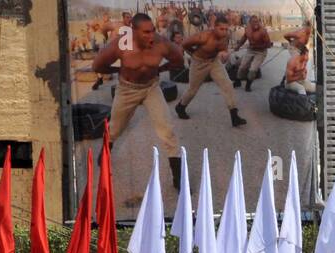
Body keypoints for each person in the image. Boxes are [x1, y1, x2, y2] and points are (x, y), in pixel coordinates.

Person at [93, 13, 185, 188]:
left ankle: (178, 179)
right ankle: (104, 154)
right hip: (127, 89)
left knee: (167, 130)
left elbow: (178, 59)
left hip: (151, 88)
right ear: (133, 31)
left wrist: (161, 68)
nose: (151, 36)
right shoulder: (121, 44)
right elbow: (97, 65)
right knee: (114, 129)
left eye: (152, 31)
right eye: (146, 32)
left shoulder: (161, 43)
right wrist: (118, 71)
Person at [175, 14, 247, 127]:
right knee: (192, 90)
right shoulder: (203, 36)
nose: (224, 31)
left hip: (214, 62)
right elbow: (184, 44)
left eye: (226, 29)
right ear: (214, 27)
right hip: (199, 63)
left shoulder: (225, 36)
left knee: (227, 85)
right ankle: (180, 107)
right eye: (221, 29)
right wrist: (193, 54)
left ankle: (234, 116)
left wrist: (224, 54)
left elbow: (223, 49)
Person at [234, 16, 273, 92]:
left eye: (257, 22)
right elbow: (244, 38)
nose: (256, 24)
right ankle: (238, 81)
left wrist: (256, 46)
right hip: (250, 50)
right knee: (242, 66)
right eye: (254, 22)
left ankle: (248, 85)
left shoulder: (263, 31)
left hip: (261, 52)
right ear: (250, 23)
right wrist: (238, 46)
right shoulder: (247, 29)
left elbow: (268, 45)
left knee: (253, 69)